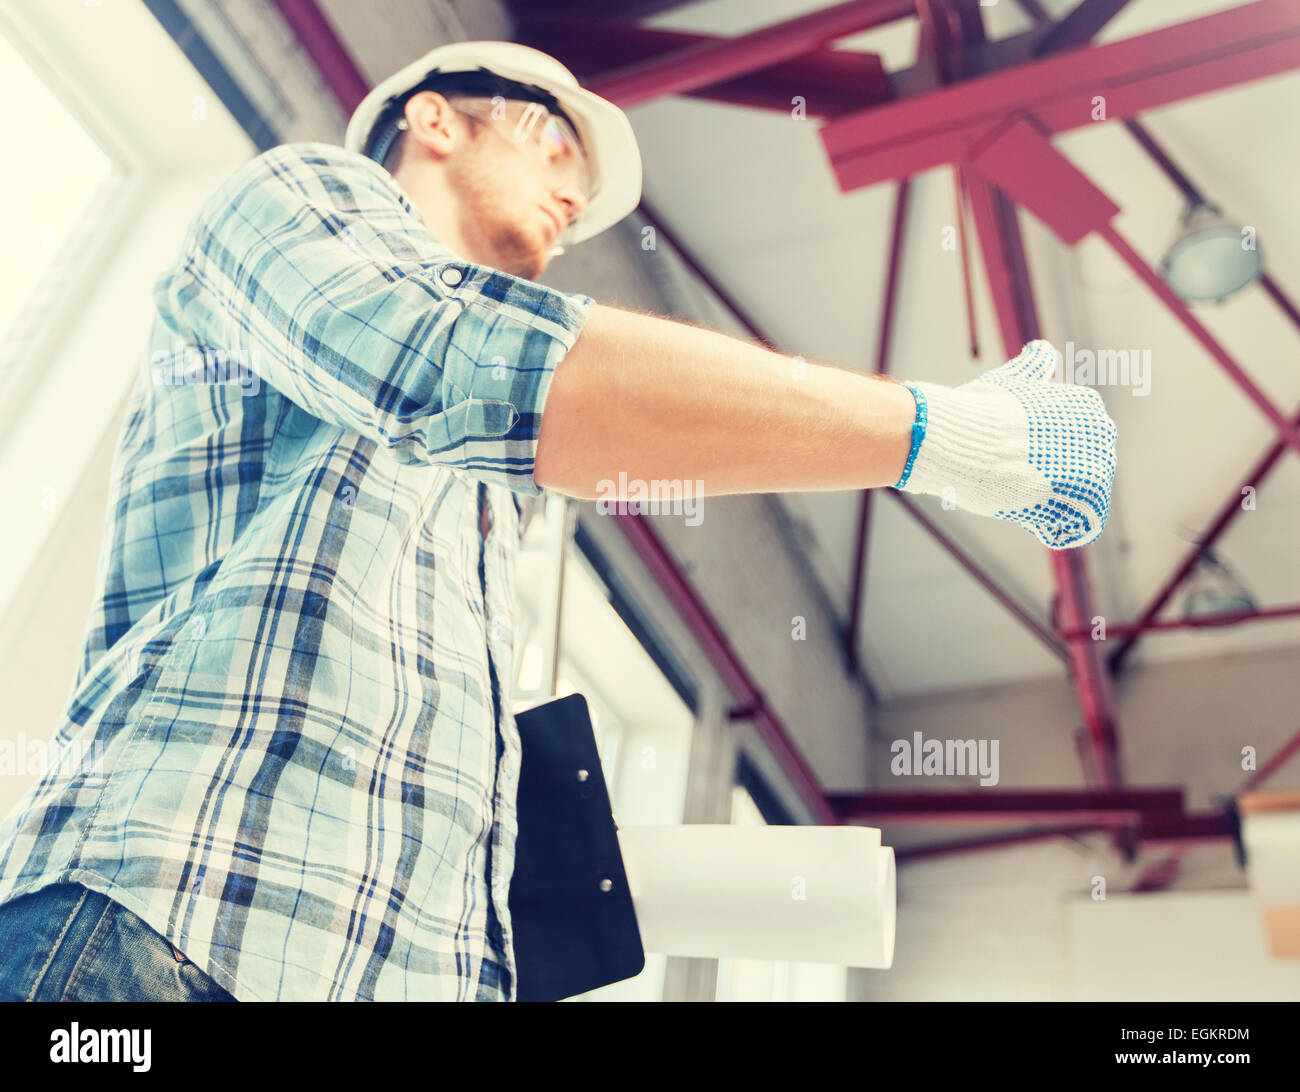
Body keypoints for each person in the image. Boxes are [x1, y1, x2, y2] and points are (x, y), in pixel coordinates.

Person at [0, 41, 1117, 1002]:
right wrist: (949, 436)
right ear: (432, 118)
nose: (573, 194)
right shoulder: (297, 200)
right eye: (550, 142)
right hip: (162, 931)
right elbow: (459, 363)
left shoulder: (499, 494)